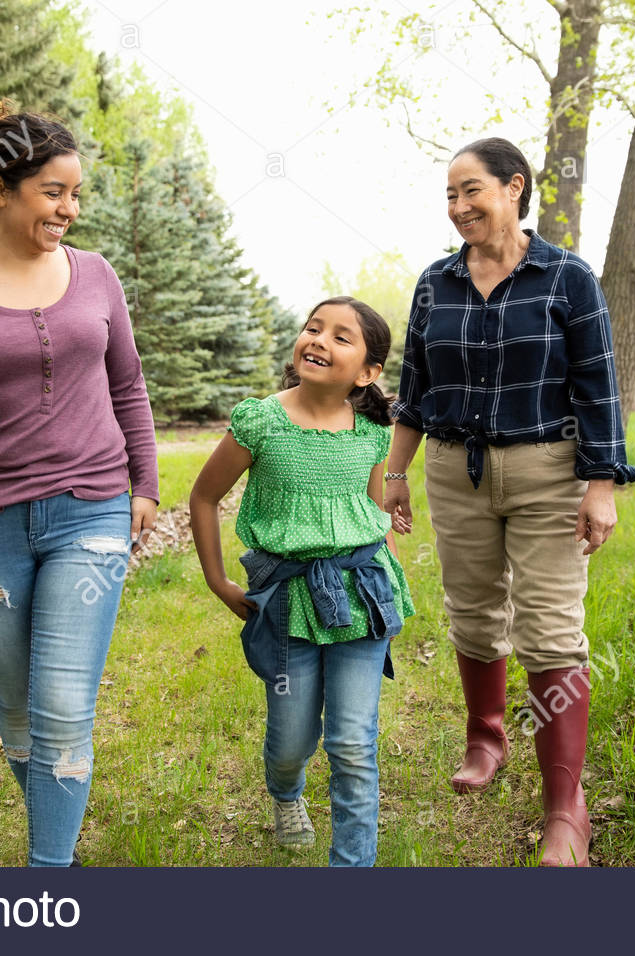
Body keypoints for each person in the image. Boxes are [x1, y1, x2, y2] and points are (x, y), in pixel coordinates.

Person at [0, 98, 159, 867]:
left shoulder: (96, 276)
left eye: (76, 194)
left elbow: (130, 387)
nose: (69, 209)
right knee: (18, 714)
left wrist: (144, 483)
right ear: (0, 188)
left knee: (65, 707)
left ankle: (48, 881)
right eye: (54, 192)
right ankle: (58, 841)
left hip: (92, 510)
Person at [384, 137, 635, 867]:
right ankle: (486, 737)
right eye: (450, 195)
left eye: (472, 191)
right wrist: (396, 473)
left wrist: (601, 486)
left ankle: (566, 808)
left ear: (515, 188)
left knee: (551, 629)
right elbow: (415, 388)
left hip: (548, 472)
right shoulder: (436, 283)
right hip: (454, 470)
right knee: (471, 609)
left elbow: (599, 388)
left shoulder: (567, 277)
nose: (459, 206)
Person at [190, 296, 415, 867]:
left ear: (368, 371)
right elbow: (204, 495)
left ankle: (351, 866)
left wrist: (388, 577)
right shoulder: (261, 420)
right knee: (293, 738)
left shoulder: (371, 432)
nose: (319, 340)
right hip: (287, 599)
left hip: (360, 597)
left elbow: (371, 511)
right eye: (314, 328)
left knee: (351, 743)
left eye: (342, 336)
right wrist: (219, 582)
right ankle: (286, 793)